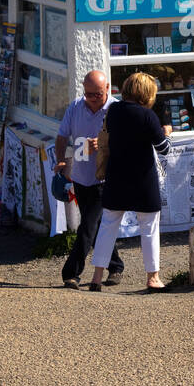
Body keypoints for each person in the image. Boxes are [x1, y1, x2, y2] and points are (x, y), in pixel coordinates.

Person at [89, 72, 173, 292]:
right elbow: (163, 149)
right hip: (143, 180)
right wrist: (167, 134)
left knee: (108, 226)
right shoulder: (148, 116)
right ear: (148, 93)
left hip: (116, 176)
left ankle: (97, 277)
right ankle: (152, 277)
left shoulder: (114, 111)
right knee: (149, 227)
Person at [54, 71, 125, 288]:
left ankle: (71, 272)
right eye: (88, 94)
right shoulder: (76, 106)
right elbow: (61, 136)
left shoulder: (116, 110)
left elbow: (124, 143)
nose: (93, 99)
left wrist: (103, 145)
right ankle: (115, 265)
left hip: (104, 177)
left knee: (87, 226)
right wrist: (61, 162)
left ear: (108, 88)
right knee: (95, 225)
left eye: (97, 94)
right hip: (80, 177)